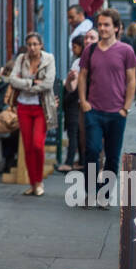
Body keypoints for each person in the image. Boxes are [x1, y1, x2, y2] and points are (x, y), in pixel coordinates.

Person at [78, 8, 136, 209]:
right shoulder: (90, 50)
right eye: (100, 25)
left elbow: (131, 81)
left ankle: (105, 195)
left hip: (116, 112)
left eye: (106, 25)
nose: (102, 28)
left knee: (112, 156)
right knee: (92, 151)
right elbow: (83, 76)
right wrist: (83, 102)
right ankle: (90, 192)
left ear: (116, 28)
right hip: (93, 110)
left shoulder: (126, 51)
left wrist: (126, 108)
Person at [6, 32, 56, 197]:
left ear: (41, 45)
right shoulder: (21, 59)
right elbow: (12, 80)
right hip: (23, 107)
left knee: (37, 145)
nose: (32, 47)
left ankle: (39, 181)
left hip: (41, 107)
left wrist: (26, 85)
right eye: (30, 44)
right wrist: (33, 83)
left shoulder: (49, 59)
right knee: (27, 147)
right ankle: (33, 184)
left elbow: (49, 83)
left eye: (35, 44)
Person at [58, 36, 85, 172]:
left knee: (73, 132)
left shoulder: (79, 62)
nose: (73, 50)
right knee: (78, 133)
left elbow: (73, 87)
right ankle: (81, 161)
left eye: (75, 46)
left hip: (74, 102)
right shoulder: (79, 61)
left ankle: (69, 162)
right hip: (78, 101)